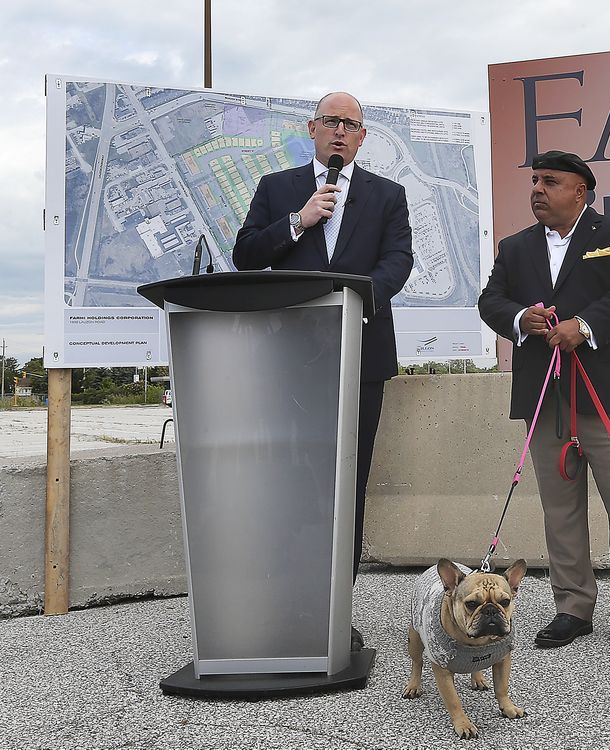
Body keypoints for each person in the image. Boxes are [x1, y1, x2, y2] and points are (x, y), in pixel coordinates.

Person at [233, 91, 414, 650]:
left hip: (362, 355)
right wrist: (298, 221)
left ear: (362, 137)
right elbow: (246, 256)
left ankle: (336, 608)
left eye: (350, 124)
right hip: (289, 360)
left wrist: (358, 301)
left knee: (347, 483)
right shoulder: (278, 190)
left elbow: (397, 262)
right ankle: (287, 605)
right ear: (311, 129)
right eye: (330, 122)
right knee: (291, 480)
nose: (339, 132)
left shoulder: (388, 195)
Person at [477, 150, 610, 656]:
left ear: (580, 190)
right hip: (544, 397)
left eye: (549, 181)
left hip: (605, 395)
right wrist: (520, 320)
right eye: (534, 180)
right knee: (560, 510)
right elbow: (490, 301)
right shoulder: (515, 248)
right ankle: (573, 607)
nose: (537, 189)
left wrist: (585, 325)